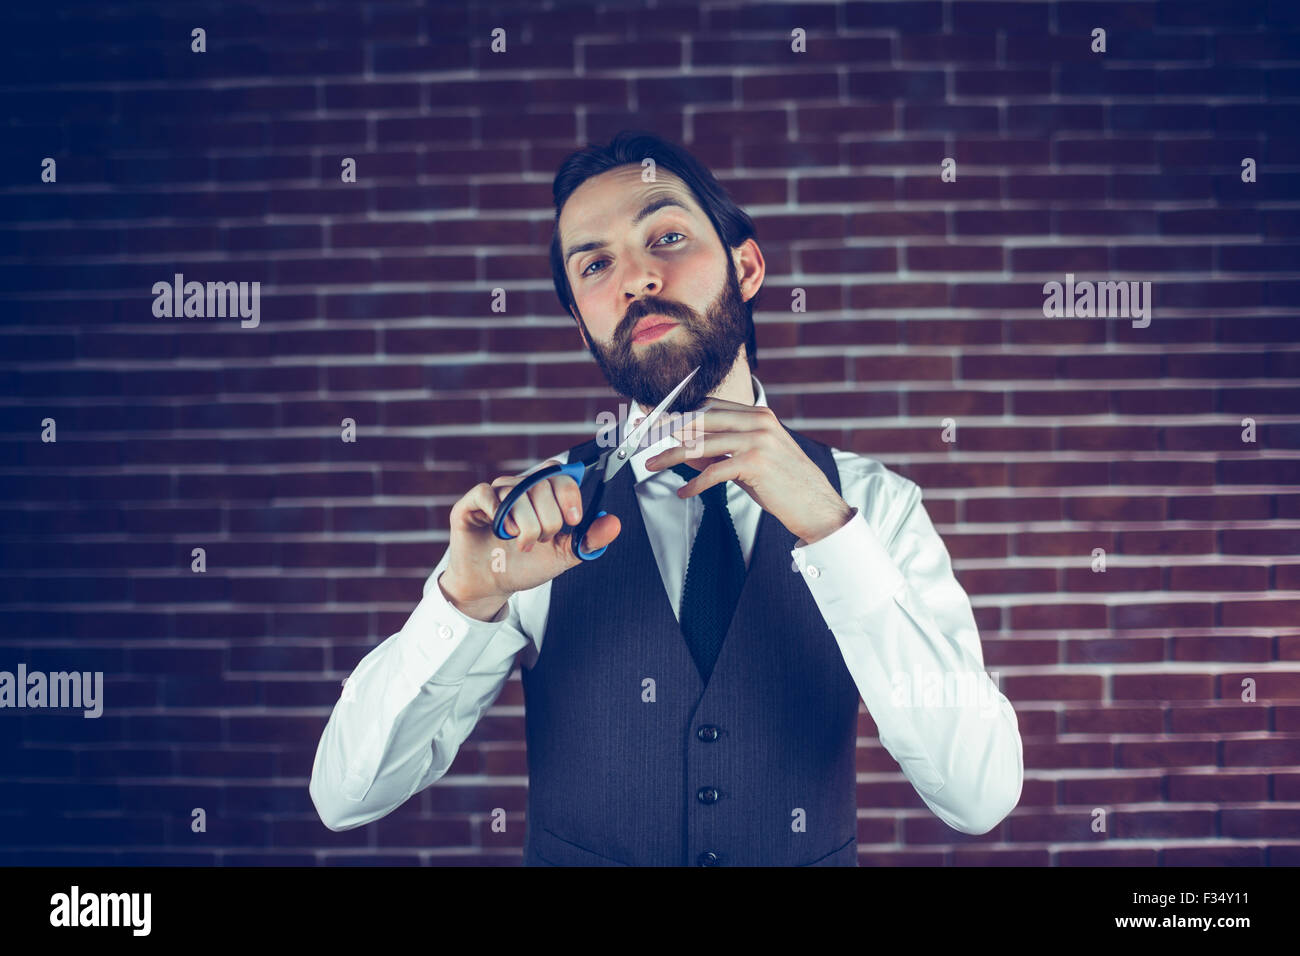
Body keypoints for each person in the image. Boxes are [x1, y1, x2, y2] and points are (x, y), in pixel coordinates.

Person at [309, 130, 1023, 866]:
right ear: (581, 321)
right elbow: (345, 797)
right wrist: (463, 597)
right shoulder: (527, 526)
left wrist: (833, 534)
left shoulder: (877, 507)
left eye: (669, 236)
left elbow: (980, 796)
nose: (637, 278)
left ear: (745, 266)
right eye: (595, 263)